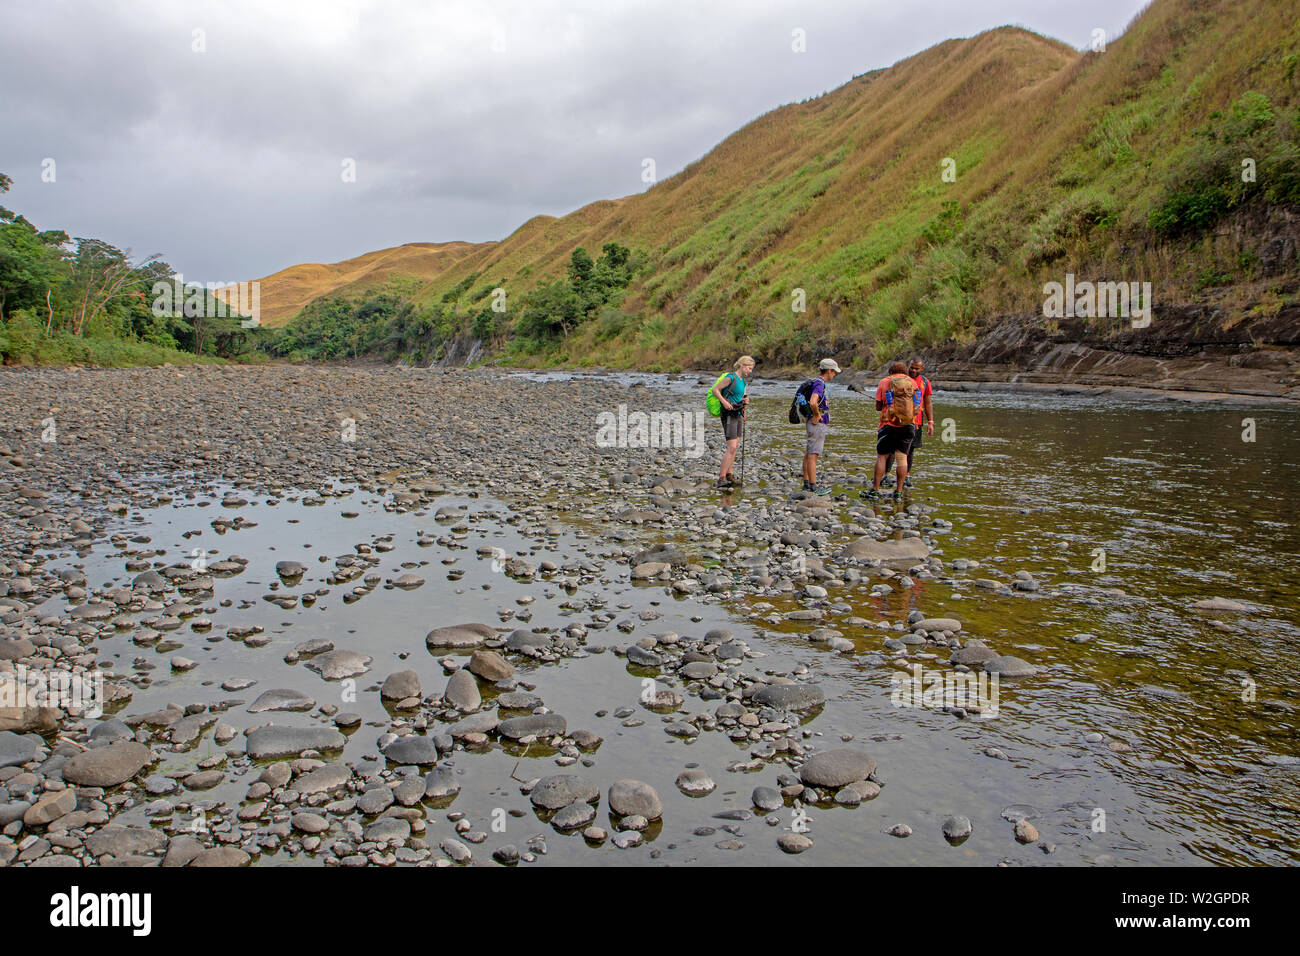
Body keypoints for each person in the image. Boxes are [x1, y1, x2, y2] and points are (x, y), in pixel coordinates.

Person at [864, 361, 918, 499]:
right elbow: (917, 404)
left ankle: (875, 489)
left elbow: (878, 406)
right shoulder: (912, 382)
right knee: (902, 458)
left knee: (882, 457)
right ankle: (899, 492)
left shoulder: (884, 382)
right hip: (908, 425)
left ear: (890, 372)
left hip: (888, 425)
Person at [884, 356, 934, 487]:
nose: (913, 370)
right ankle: (887, 474)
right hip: (897, 420)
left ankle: (907, 475)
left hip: (916, 421)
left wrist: (931, 422)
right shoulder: (901, 379)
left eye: (916, 368)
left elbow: (927, 403)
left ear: (922, 368)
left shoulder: (925, 382)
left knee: (911, 450)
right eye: (911, 367)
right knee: (892, 449)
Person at [713, 355, 754, 488]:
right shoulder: (730, 378)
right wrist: (724, 402)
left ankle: (729, 474)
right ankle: (722, 477)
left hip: (738, 413)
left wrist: (745, 403)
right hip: (729, 414)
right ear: (742, 366)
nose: (750, 371)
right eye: (749, 368)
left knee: (735, 447)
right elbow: (715, 390)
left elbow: (741, 397)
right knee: (731, 447)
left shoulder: (743, 382)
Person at [801, 358, 840, 494]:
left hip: (811, 422)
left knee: (808, 452)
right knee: (813, 455)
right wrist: (817, 415)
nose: (834, 375)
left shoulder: (817, 382)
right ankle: (813, 486)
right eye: (834, 372)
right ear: (829, 371)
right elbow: (813, 402)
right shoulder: (820, 384)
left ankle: (806, 483)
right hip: (817, 423)